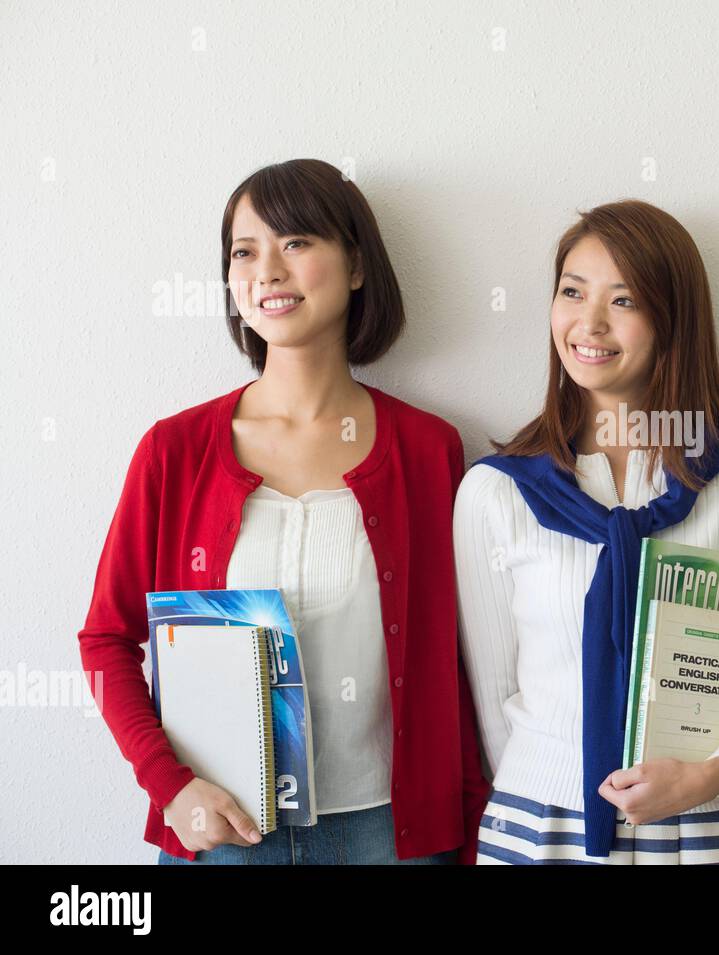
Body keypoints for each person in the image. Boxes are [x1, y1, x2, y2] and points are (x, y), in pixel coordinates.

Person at [78, 158, 489, 864]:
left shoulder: (428, 450)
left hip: (391, 834)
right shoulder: (175, 451)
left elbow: (466, 655)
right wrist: (171, 788)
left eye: (296, 242)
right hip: (227, 832)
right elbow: (105, 641)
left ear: (357, 265)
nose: (266, 270)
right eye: (245, 251)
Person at [453, 199, 719, 864]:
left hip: (703, 821)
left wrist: (709, 776)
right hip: (539, 828)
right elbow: (493, 692)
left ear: (671, 319)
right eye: (573, 291)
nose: (589, 321)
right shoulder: (498, 489)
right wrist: (557, 785)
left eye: (623, 300)